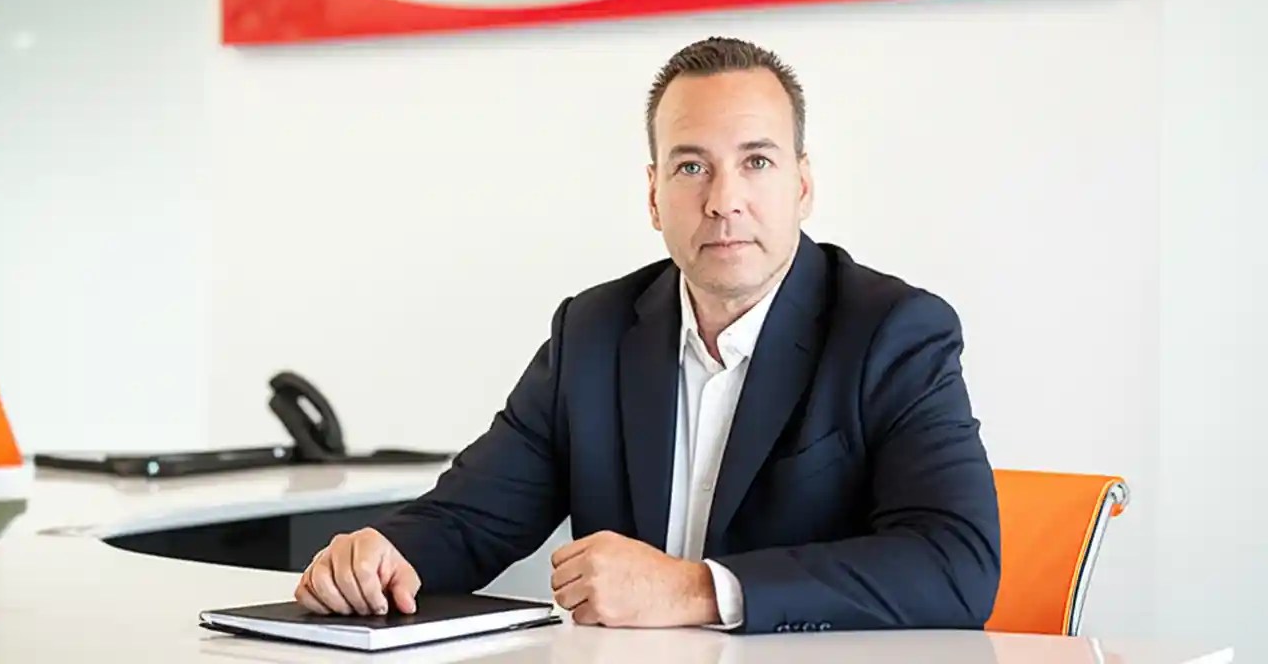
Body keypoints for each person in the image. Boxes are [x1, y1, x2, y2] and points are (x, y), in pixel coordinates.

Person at [294, 36, 1001, 634]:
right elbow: (472, 518)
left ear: (803, 187)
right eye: (692, 166)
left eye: (757, 161)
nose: (724, 200)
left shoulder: (893, 331)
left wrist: (697, 590)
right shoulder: (594, 332)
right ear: (654, 195)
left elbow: (955, 563)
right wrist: (382, 553)